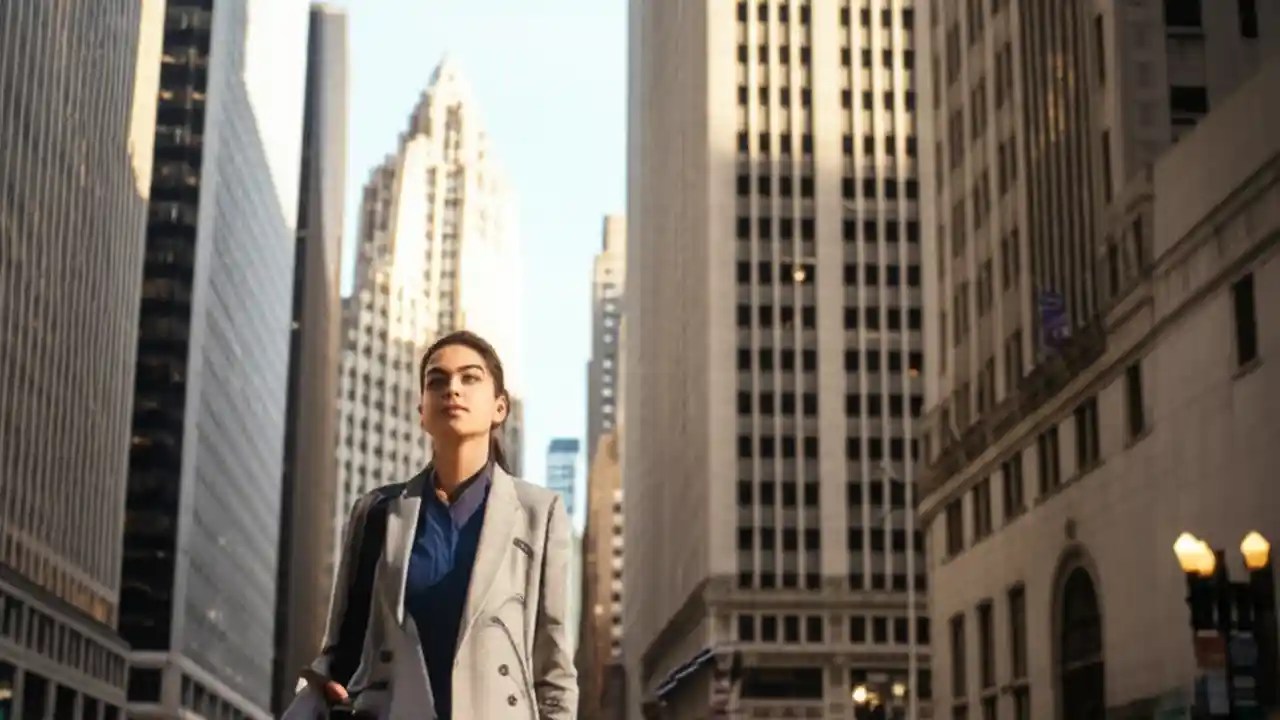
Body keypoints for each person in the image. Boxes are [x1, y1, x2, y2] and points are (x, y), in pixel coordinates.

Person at [294, 330, 577, 719]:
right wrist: (326, 689)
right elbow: (341, 652)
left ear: (500, 407)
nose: (452, 389)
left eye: (470, 378)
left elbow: (554, 673)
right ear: (422, 411)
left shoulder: (539, 514)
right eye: (437, 381)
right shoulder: (377, 512)